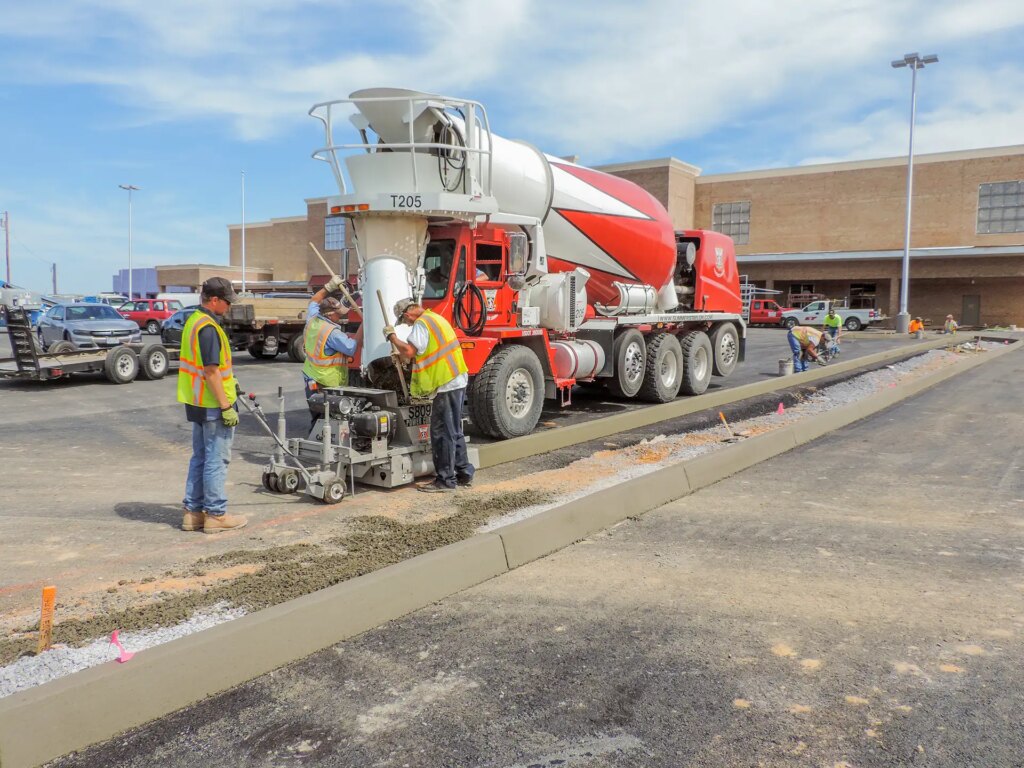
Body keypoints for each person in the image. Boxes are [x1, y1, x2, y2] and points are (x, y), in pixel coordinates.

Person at [177, 277, 247, 534]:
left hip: (196, 402)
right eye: (227, 301)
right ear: (214, 300)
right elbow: (210, 371)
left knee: (201, 458)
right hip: (213, 405)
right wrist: (226, 406)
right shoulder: (208, 328)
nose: (229, 306)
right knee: (216, 460)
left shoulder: (193, 322)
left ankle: (193, 513)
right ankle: (216, 515)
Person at [384, 298, 474, 492]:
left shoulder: (421, 324)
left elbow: (409, 351)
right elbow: (426, 351)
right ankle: (464, 473)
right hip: (455, 378)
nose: (407, 324)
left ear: (407, 315)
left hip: (446, 382)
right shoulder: (436, 318)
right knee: (454, 430)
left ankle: (446, 480)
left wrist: (392, 337)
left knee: (442, 433)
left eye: (405, 322)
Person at [302, 276, 363, 425]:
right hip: (325, 383)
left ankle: (318, 442)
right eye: (338, 314)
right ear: (329, 314)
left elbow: (314, 300)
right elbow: (351, 348)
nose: (342, 315)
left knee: (318, 415)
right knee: (326, 419)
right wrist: (365, 324)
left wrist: (328, 287)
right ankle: (323, 446)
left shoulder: (313, 318)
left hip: (311, 377)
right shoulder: (332, 333)